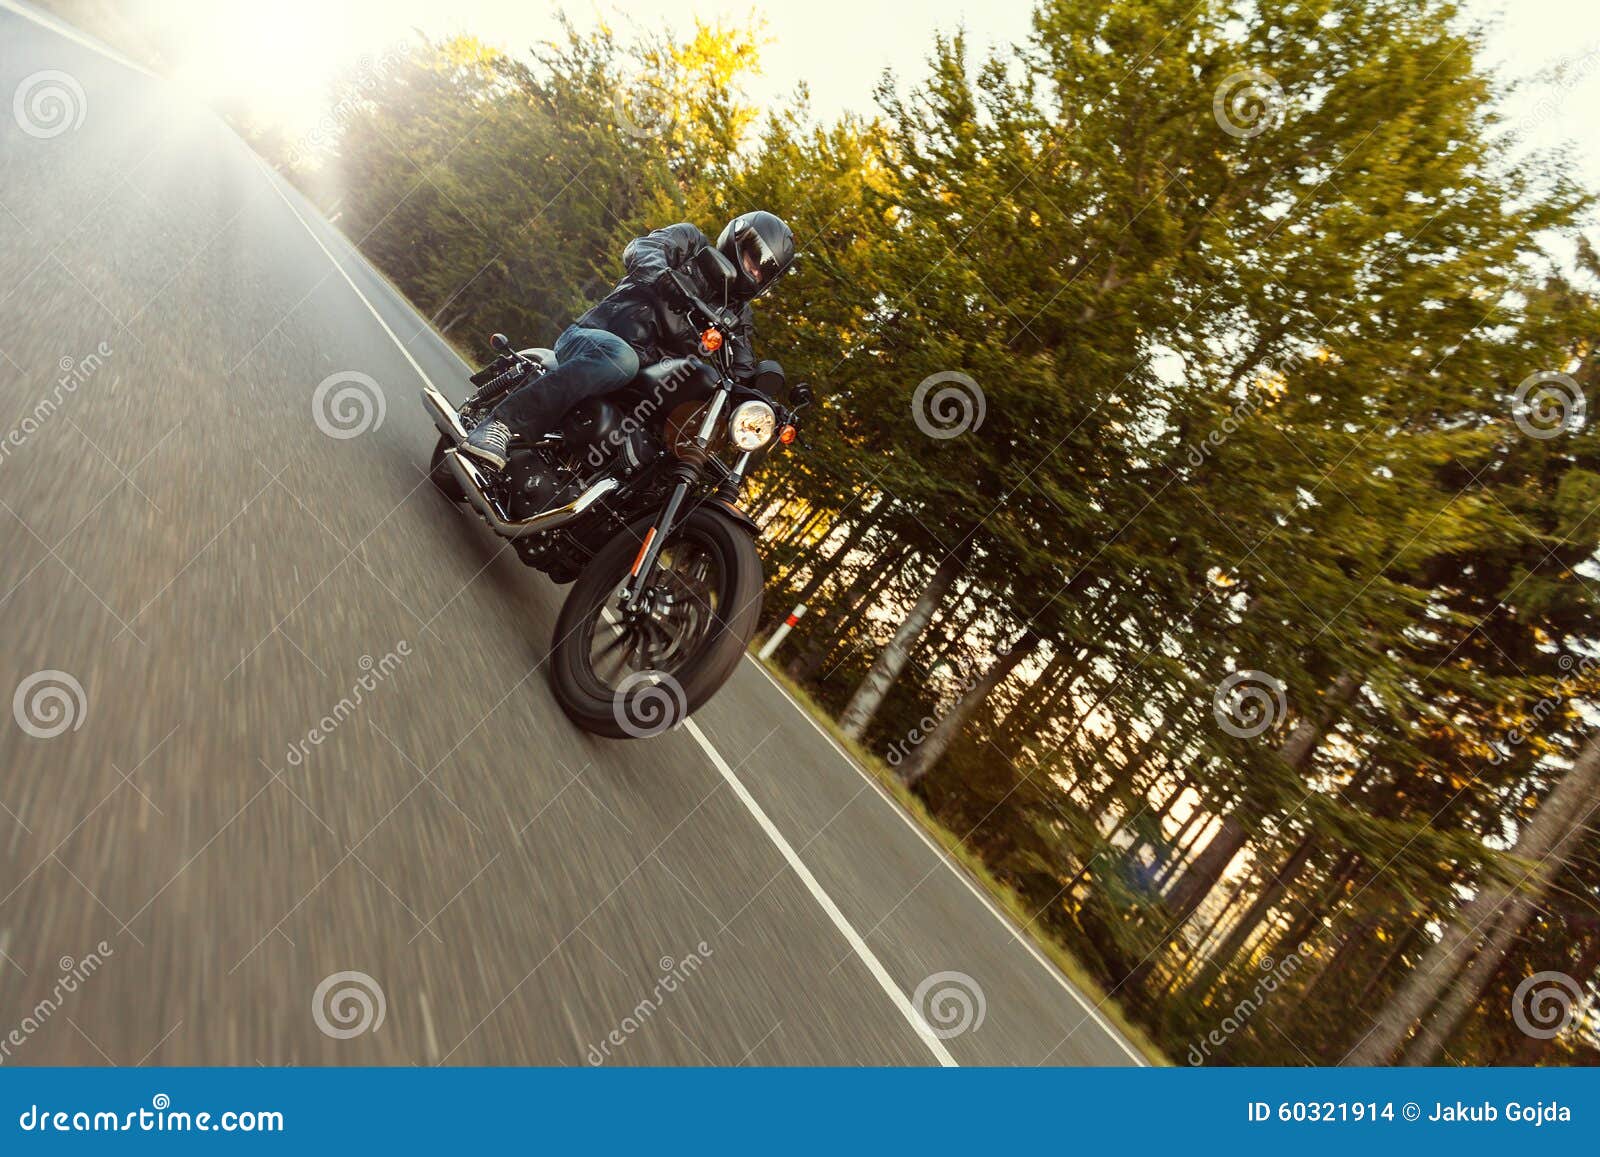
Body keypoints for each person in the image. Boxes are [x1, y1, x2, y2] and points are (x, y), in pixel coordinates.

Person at [459, 211, 796, 472]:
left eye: (764, 272)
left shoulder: (738, 314)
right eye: (754, 259)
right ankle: (501, 424)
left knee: (682, 425)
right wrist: (664, 277)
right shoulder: (691, 243)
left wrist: (762, 403)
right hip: (599, 340)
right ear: (737, 240)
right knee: (622, 358)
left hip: (645, 383)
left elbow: (742, 365)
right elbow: (643, 248)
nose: (754, 272)